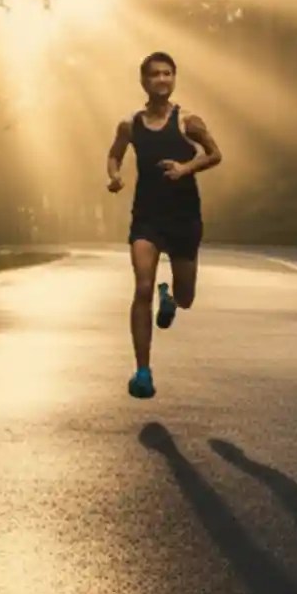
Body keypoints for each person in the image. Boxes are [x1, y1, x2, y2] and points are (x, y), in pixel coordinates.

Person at [106, 52, 223, 399]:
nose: (162, 79)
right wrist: (114, 176)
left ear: (174, 80)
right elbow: (115, 153)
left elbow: (215, 154)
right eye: (155, 74)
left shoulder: (188, 121)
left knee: (187, 298)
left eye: (168, 74)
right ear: (143, 81)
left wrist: (186, 169)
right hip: (147, 217)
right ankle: (142, 371)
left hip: (184, 217)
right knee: (141, 286)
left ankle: (169, 297)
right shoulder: (131, 124)